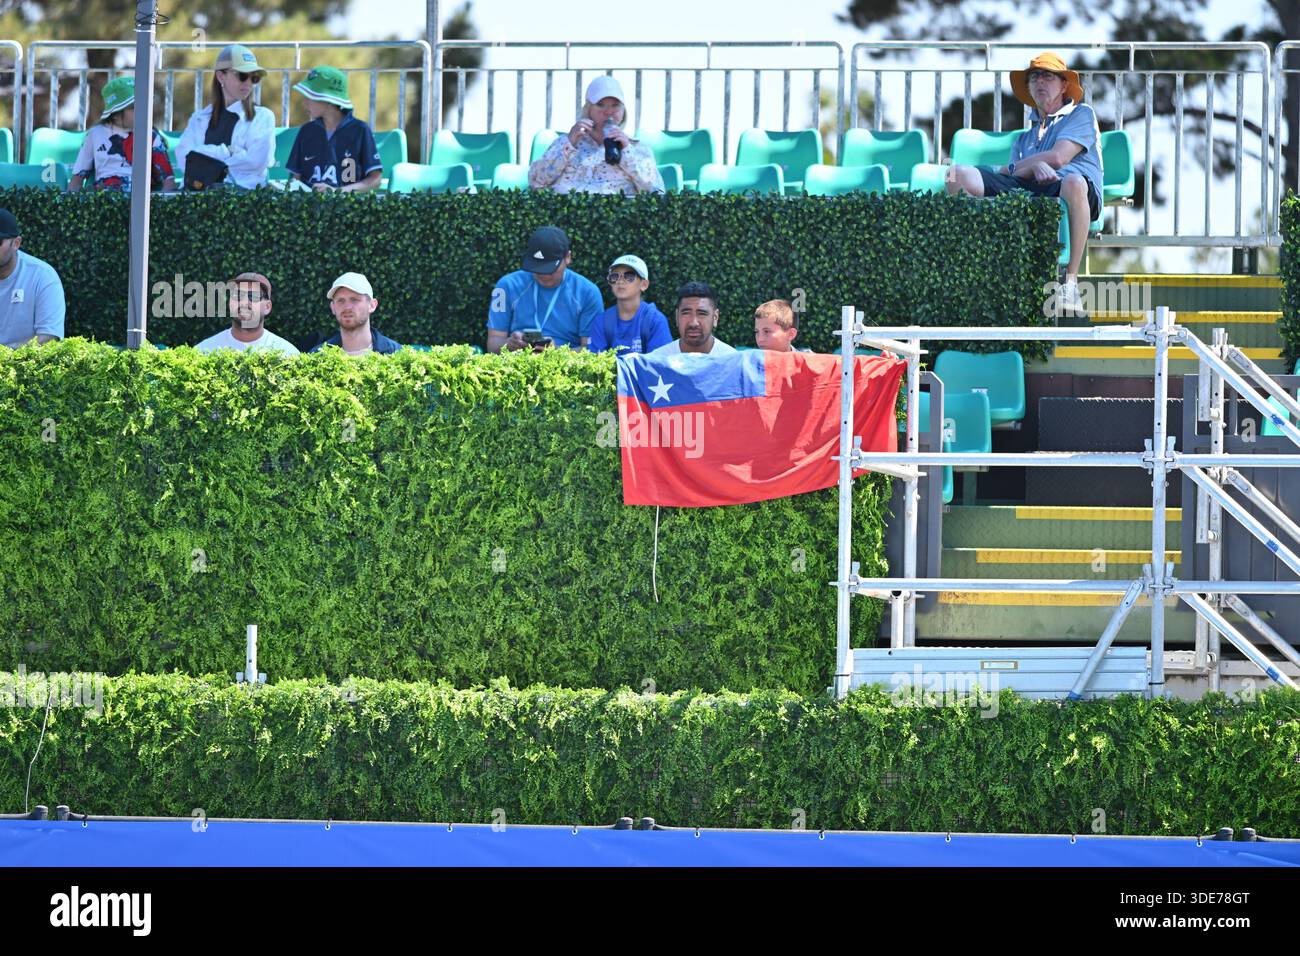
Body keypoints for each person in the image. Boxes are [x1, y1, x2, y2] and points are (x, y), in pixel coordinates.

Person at [945, 51, 1103, 312]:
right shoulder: (1023, 137)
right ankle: (978, 258)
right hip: (1032, 190)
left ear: (1064, 85)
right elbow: (1017, 174)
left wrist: (1028, 165)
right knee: (954, 173)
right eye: (1034, 77)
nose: (1040, 81)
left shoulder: (1082, 114)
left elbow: (1059, 158)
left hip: (1072, 189)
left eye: (1048, 76)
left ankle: (1070, 282)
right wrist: (1032, 166)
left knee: (1074, 182)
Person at [528, 76, 664, 195]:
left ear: (623, 111)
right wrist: (569, 144)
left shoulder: (637, 149)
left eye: (615, 105)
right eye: (600, 105)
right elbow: (536, 182)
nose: (608, 112)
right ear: (588, 109)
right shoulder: (566, 142)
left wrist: (627, 152)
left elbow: (655, 191)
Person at [486, 226, 602, 353]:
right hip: (516, 364)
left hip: (567, 369)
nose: (544, 275)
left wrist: (556, 351)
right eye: (537, 267)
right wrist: (509, 344)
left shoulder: (588, 292)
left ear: (568, 257)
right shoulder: (506, 286)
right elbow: (493, 343)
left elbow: (593, 351)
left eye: (550, 268)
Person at [175, 44, 276, 190]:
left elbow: (256, 162)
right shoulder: (199, 117)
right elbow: (184, 159)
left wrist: (204, 156)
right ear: (220, 76)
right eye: (242, 75)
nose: (248, 83)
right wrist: (229, 151)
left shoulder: (263, 116)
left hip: (244, 199)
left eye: (254, 78)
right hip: (197, 198)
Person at [68, 76, 176, 193]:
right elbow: (76, 181)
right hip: (104, 201)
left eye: (145, 105)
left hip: (141, 202)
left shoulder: (151, 136)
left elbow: (169, 182)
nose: (143, 110)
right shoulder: (95, 134)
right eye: (134, 107)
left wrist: (156, 208)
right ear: (115, 113)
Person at [285, 66, 383, 193]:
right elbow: (295, 178)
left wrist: (338, 192)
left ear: (329, 100)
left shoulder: (360, 130)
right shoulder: (306, 131)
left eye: (311, 96)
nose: (304, 102)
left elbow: (375, 180)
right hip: (308, 208)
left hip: (346, 208)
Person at [0, 208, 65, 348]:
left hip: (25, 366)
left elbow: (49, 336)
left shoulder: (42, 276)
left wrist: (6, 359)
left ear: (16, 243)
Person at [194, 272, 300, 355]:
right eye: (238, 295)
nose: (244, 302)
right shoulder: (204, 351)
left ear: (267, 307)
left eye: (253, 296)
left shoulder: (287, 354)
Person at [587, 254, 672, 355]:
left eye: (629, 276)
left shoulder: (655, 321)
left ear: (644, 285)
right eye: (615, 276)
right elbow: (595, 364)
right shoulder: (601, 321)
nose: (620, 281)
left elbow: (659, 364)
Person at [310, 273, 402, 355]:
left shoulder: (396, 354)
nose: (347, 307)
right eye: (340, 300)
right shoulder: (318, 356)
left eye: (354, 300)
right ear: (333, 307)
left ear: (372, 305)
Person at [650, 281, 735, 356]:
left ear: (715, 317)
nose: (693, 323)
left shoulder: (731, 361)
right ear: (677, 317)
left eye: (702, 313)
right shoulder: (659, 361)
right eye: (686, 313)